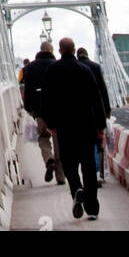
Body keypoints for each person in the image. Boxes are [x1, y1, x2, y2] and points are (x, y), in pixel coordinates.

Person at [40, 37, 106, 220]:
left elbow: (45, 100)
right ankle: (92, 208)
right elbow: (96, 99)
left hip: (64, 126)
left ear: (60, 51)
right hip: (86, 125)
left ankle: (77, 189)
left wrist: (51, 124)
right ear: (74, 49)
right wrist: (101, 126)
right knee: (89, 166)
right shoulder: (85, 70)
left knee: (69, 164)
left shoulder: (52, 71)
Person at [21, 42, 65, 185]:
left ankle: (48, 159)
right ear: (52, 51)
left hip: (40, 111)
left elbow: (27, 91)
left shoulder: (31, 67)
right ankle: (61, 176)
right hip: (58, 110)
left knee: (43, 138)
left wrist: (29, 108)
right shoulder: (58, 65)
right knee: (59, 141)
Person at [77, 47, 111, 185]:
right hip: (96, 112)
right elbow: (102, 90)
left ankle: (89, 174)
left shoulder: (77, 68)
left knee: (85, 145)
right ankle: (96, 172)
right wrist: (106, 111)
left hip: (79, 113)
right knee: (96, 143)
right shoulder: (95, 67)